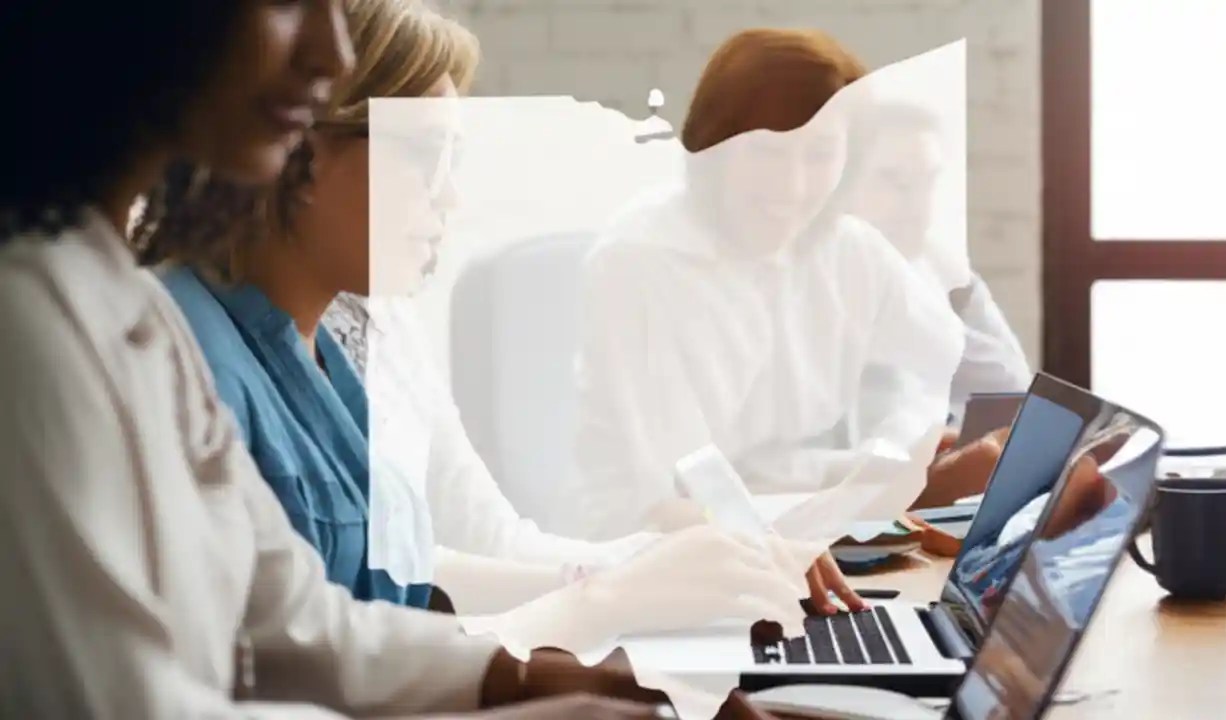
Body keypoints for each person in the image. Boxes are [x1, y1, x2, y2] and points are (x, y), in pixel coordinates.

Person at [0, 2, 744, 717]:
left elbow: (304, 625)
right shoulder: (42, 318)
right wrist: (566, 661)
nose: (333, 54)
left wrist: (536, 678)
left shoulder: (148, 314)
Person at [135, 0, 850, 637]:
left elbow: (417, 577)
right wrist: (613, 598)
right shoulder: (188, 364)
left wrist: (681, 570)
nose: (449, 198)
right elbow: (327, 653)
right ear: (301, 146)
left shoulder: (331, 346)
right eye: (424, 155)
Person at [573, 28, 1006, 541]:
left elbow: (951, 363)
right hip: (655, 543)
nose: (793, 186)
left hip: (788, 519)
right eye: (766, 151)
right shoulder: (641, 263)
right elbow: (670, 492)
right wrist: (860, 493)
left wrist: (901, 450)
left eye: (819, 154)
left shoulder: (847, 248)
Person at [844, 101, 1032, 426]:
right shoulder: (818, 281)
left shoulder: (945, 274)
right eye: (893, 180)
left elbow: (1017, 390)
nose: (917, 203)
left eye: (927, 181)